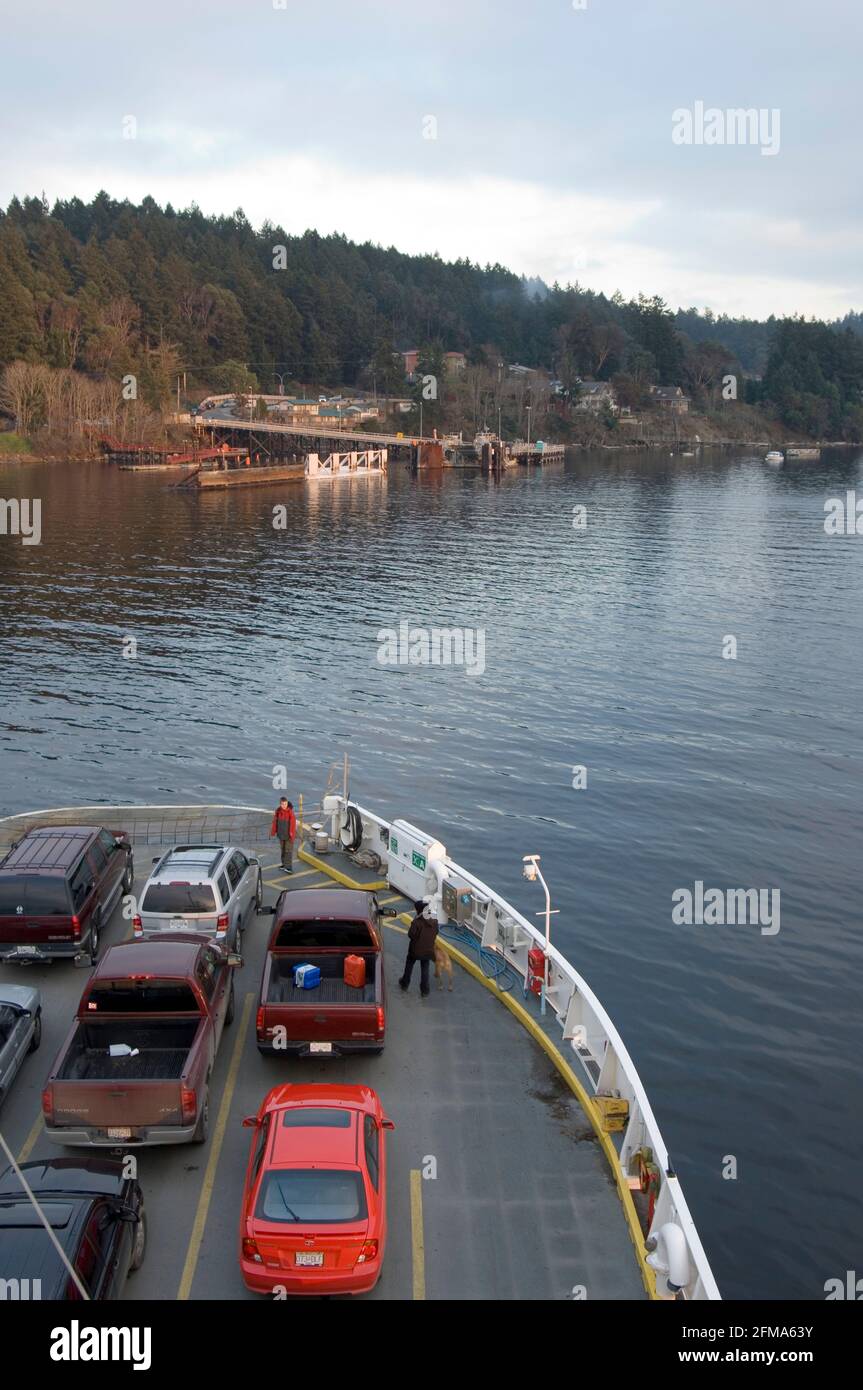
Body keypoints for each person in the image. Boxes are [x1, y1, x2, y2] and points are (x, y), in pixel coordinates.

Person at [399, 900, 439, 998]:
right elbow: (436, 932)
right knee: (425, 968)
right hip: (428, 950)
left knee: (409, 965)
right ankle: (425, 990)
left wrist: (414, 921)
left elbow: (411, 935)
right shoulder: (434, 921)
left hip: (415, 950)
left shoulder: (417, 922)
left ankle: (405, 983)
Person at [270, 797, 296, 871]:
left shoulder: (290, 813)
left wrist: (292, 836)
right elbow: (275, 822)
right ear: (280, 804)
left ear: (287, 803)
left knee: (288, 851)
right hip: (281, 835)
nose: (284, 805)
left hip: (289, 836)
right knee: (283, 850)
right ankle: (284, 865)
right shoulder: (278, 811)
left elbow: (293, 825)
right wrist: (273, 832)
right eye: (283, 804)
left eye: (285, 804)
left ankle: (289, 868)